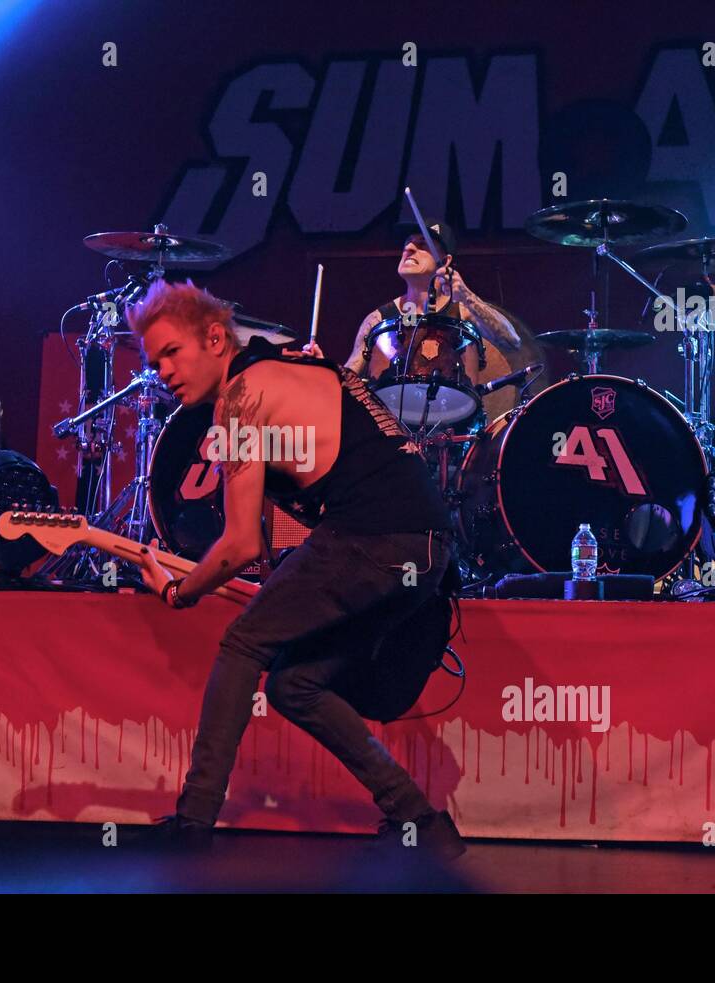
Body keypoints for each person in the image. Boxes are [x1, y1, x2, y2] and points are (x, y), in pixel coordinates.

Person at [127, 278, 465, 859]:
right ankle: (421, 820)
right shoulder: (285, 368)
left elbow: (233, 547)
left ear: (214, 339)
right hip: (425, 548)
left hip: (374, 536)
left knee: (241, 646)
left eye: (170, 353)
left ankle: (192, 825)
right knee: (295, 685)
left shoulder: (242, 398)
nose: (162, 372)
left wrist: (181, 592)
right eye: (154, 362)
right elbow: (255, 544)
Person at [306, 221, 520, 389]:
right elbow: (350, 380)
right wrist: (325, 368)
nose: (408, 248)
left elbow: (512, 342)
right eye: (407, 243)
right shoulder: (379, 318)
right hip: (391, 428)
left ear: (444, 261)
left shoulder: (461, 310)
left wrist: (466, 295)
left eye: (422, 244)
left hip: (450, 426)